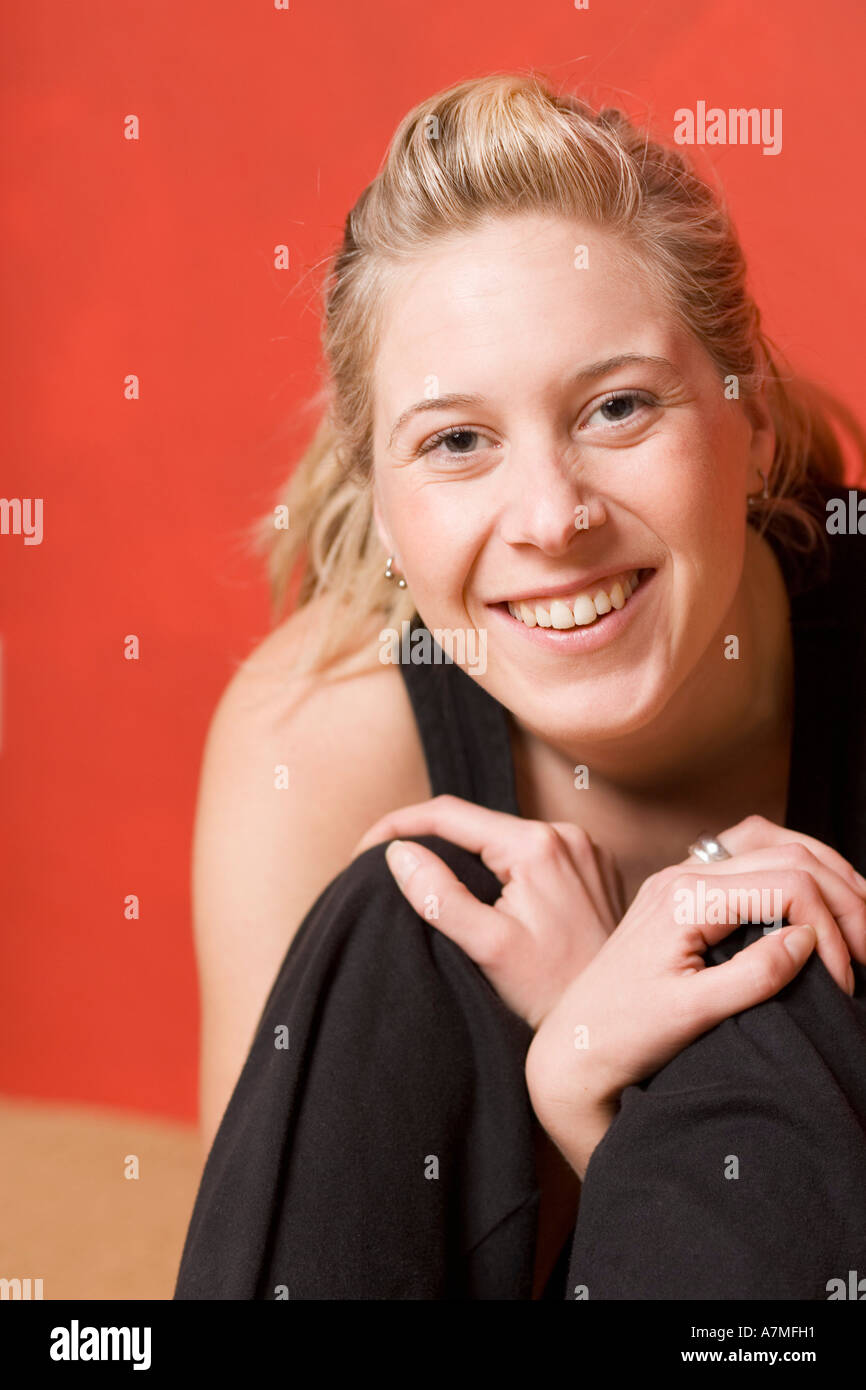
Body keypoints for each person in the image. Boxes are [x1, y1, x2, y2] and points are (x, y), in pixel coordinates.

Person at [175, 73, 866, 1300]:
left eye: (615, 407)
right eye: (456, 442)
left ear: (747, 421)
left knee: (785, 968)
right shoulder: (324, 738)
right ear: (381, 498)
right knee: (409, 912)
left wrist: (604, 1090)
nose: (551, 518)